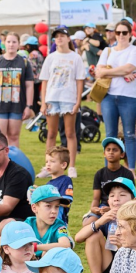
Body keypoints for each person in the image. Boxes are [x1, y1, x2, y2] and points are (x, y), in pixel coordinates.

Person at [94, 19, 136, 170]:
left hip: (129, 97)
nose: (121, 35)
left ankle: (131, 169)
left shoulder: (135, 50)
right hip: (109, 96)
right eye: (118, 32)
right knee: (110, 135)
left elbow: (128, 69)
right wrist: (119, 72)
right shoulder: (109, 50)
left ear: (130, 34)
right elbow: (98, 71)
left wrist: (108, 72)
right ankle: (110, 168)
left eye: (124, 32)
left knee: (129, 134)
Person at [38, 28, 86, 174]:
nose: (59, 39)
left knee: (70, 133)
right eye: (57, 37)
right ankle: (49, 166)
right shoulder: (51, 57)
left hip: (68, 99)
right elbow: (45, 81)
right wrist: (43, 101)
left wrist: (78, 101)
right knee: (51, 133)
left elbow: (79, 81)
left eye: (62, 36)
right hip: (52, 98)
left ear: (68, 39)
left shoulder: (75, 57)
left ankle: (71, 166)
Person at [0, 31, 35, 149]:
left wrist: (28, 106)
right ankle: (0, 164)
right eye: (9, 42)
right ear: (4, 44)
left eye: (14, 42)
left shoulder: (24, 62)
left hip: (17, 106)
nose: (11, 44)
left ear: (19, 44)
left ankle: (13, 163)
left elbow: (29, 85)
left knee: (14, 136)